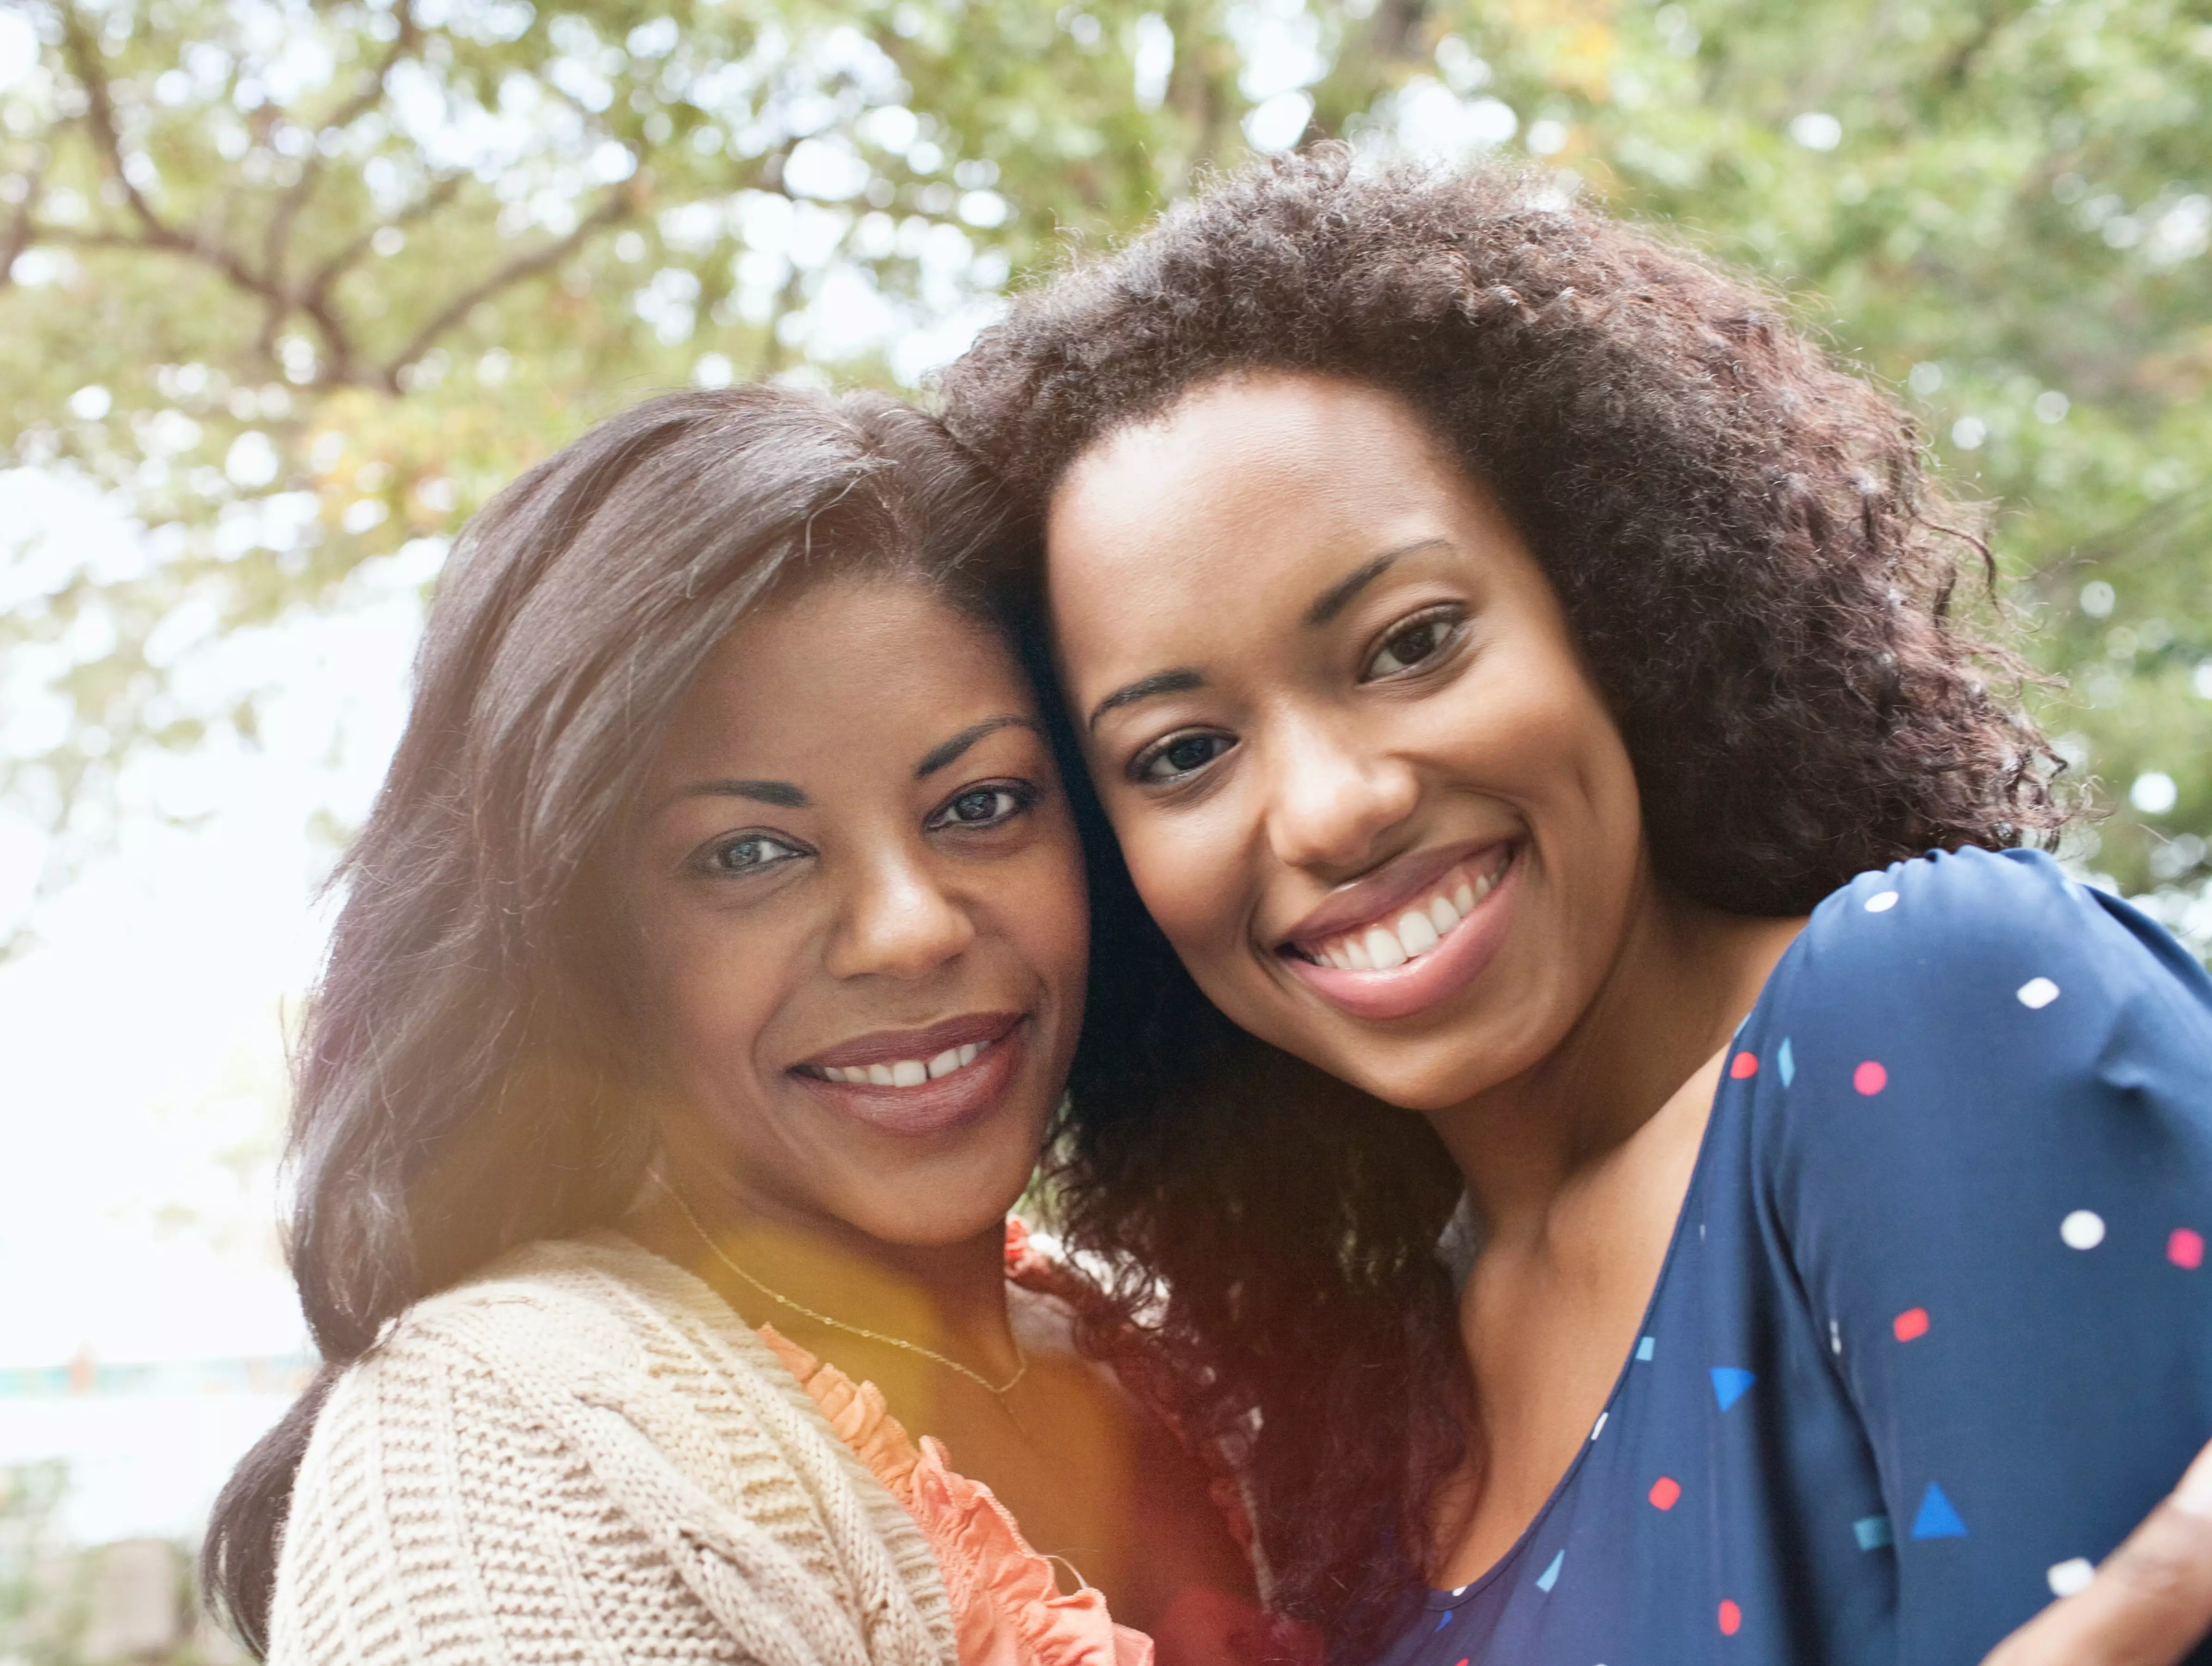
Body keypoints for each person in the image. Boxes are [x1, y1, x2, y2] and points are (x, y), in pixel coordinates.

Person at [938, 151, 2212, 1666]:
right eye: (1185, 755)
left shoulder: (1921, 1013)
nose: (1337, 807)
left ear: (1612, 601)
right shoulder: (1353, 1422)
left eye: (1410, 644)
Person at [199, 387, 1266, 1666]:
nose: (909, 930)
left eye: (981, 805)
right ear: (582, 942)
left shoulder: (1159, 1345)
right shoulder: (510, 1434)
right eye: (749, 853)